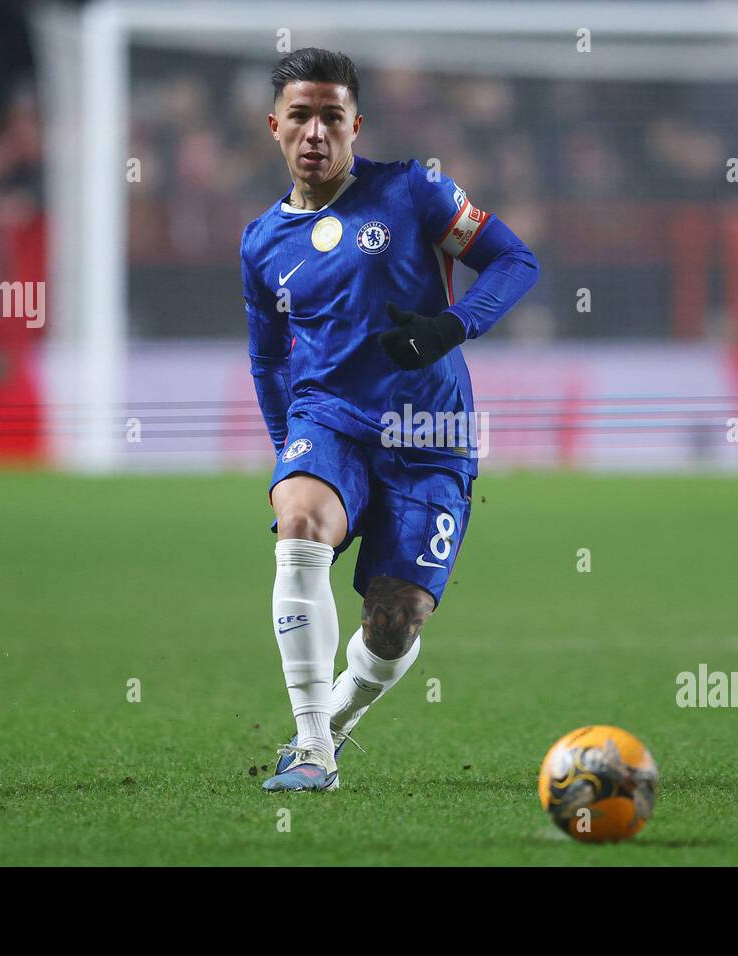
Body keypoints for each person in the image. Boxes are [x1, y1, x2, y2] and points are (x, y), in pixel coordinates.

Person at [241, 48, 539, 791]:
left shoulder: (415, 189)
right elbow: (269, 361)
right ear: (274, 126)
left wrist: (451, 327)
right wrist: (291, 456)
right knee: (301, 527)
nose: (316, 133)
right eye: (301, 117)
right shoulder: (260, 243)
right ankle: (312, 750)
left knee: (396, 617)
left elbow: (514, 261)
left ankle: (334, 723)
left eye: (331, 118)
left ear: (355, 125)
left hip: (429, 433)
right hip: (330, 421)